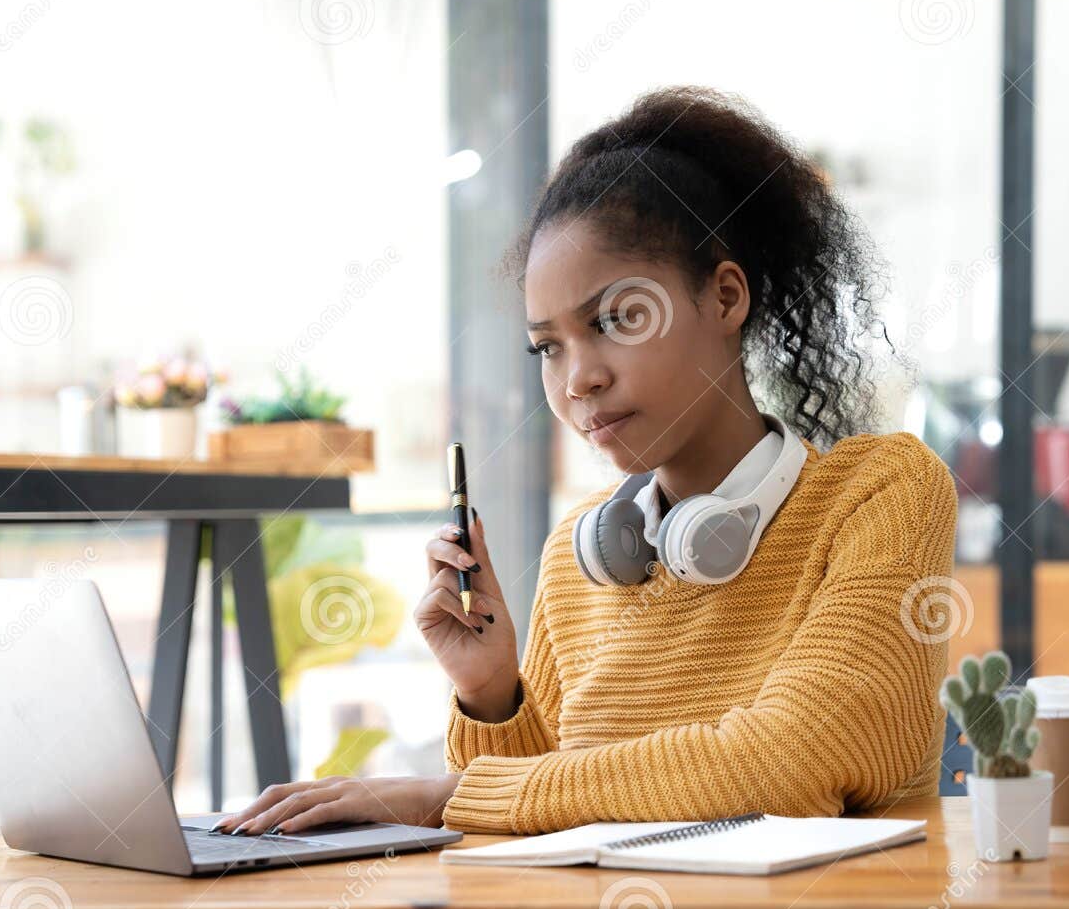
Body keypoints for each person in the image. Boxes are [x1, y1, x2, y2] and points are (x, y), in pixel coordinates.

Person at [219, 85, 957, 837]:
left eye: (615, 319)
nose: (578, 380)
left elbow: (793, 764)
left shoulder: (882, 494)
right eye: (548, 346)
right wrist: (491, 693)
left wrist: (441, 796)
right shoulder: (583, 565)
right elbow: (528, 821)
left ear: (725, 298)